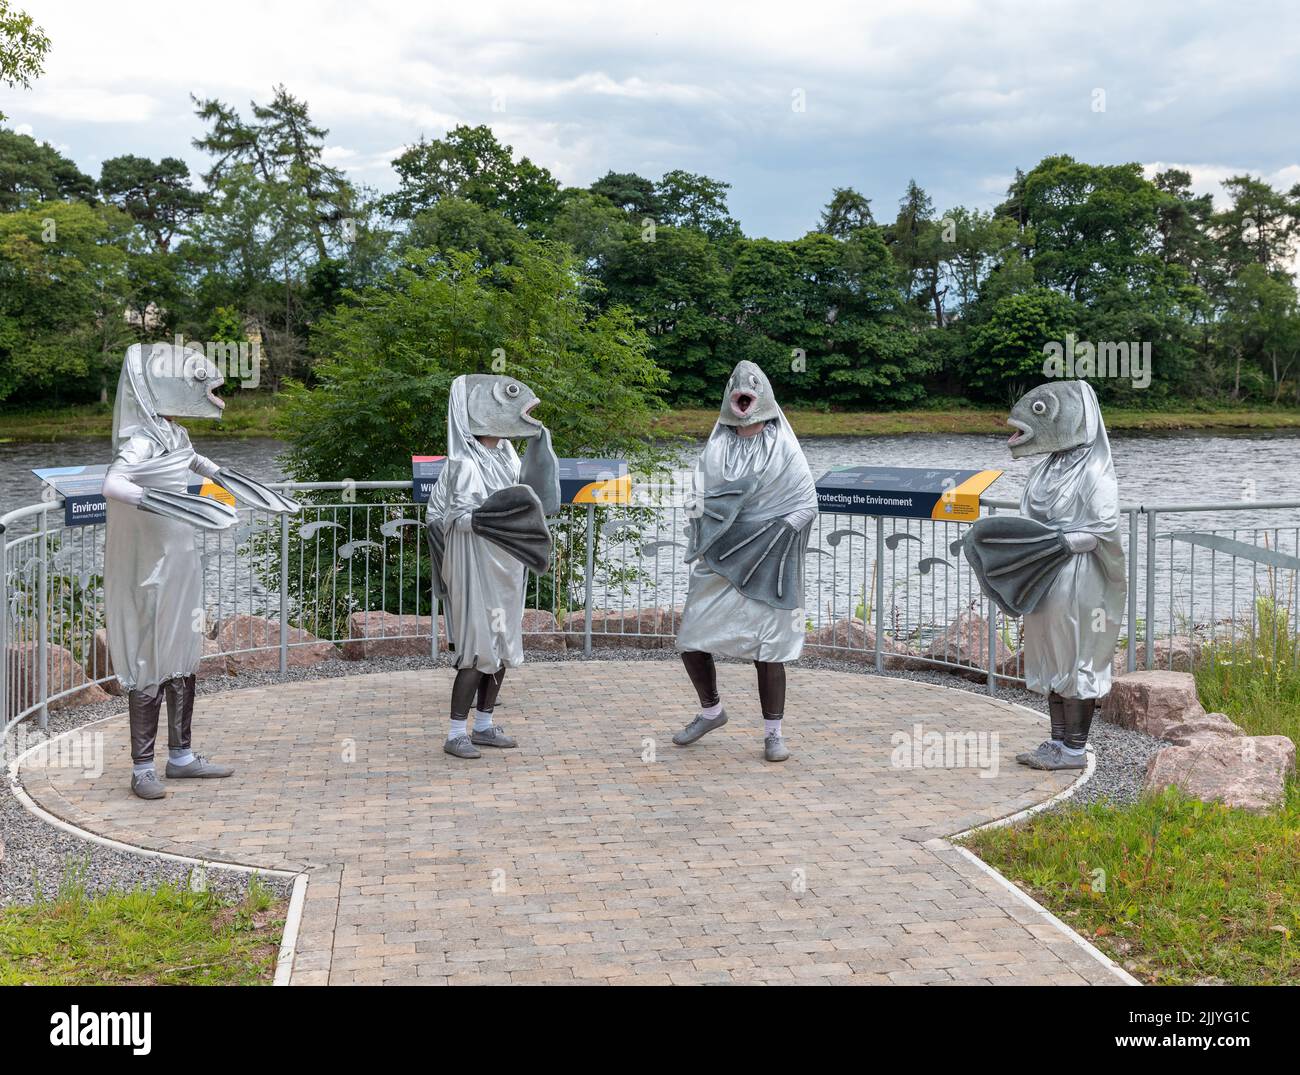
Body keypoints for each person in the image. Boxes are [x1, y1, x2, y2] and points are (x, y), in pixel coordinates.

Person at [103, 342, 298, 800]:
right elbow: (112, 483)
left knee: (183, 655)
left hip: (181, 560)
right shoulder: (141, 440)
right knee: (151, 657)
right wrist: (156, 499)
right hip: (150, 566)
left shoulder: (173, 435)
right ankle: (142, 767)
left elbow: (192, 462)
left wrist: (224, 477)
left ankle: (181, 757)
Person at [966, 379, 1125, 770]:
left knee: (1076, 655)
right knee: (1049, 656)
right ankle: (1056, 742)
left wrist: (1052, 546)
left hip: (1076, 578)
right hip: (1046, 578)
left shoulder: (1094, 473)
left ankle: (1074, 748)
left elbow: (1100, 530)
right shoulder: (1048, 470)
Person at [672, 361, 818, 763]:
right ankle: (711, 710)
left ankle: (773, 734)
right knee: (690, 639)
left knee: (768, 649)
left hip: (769, 561)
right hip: (719, 557)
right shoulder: (717, 446)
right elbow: (700, 499)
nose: (743, 389)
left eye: (752, 386)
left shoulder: (784, 447)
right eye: (736, 386)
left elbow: (807, 504)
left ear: (764, 398)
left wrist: (775, 534)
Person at [425, 374, 559, 760]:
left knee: (502, 645)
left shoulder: (506, 456)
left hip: (506, 566)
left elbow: (527, 498)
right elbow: (456, 518)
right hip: (475, 566)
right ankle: (455, 733)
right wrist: (495, 521)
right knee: (476, 649)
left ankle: (483, 724)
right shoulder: (464, 463)